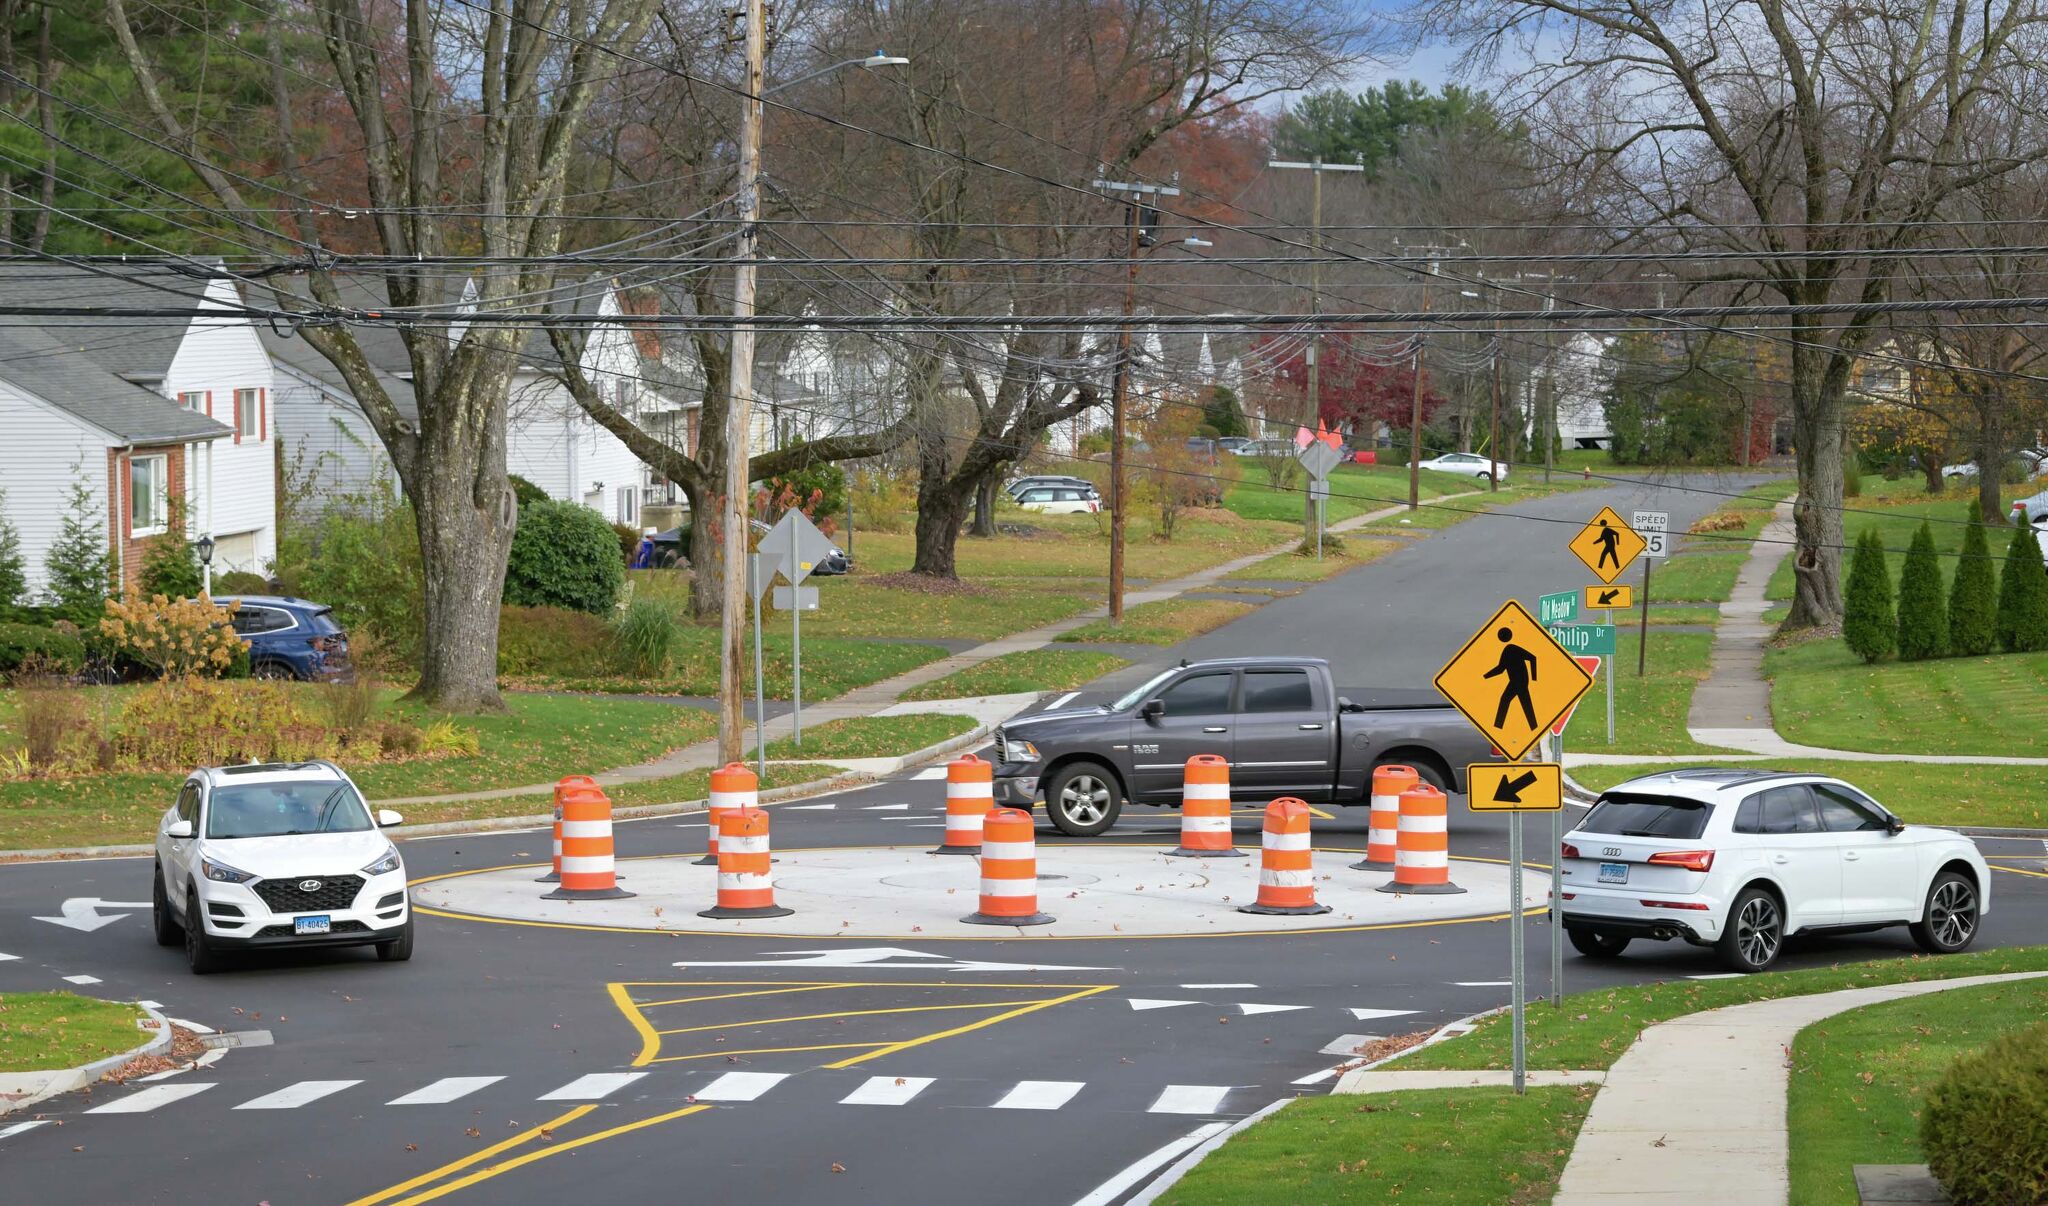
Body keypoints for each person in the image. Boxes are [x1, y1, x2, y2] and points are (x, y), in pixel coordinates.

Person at [1483, 626, 1539, 729]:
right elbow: (1501, 669)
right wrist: (1485, 676)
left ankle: (1498, 726)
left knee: (1506, 700)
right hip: (1517, 681)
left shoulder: (1510, 649)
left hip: (1518, 681)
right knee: (1525, 705)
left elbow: (1533, 658)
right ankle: (1533, 727)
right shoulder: (1508, 649)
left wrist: (1534, 678)